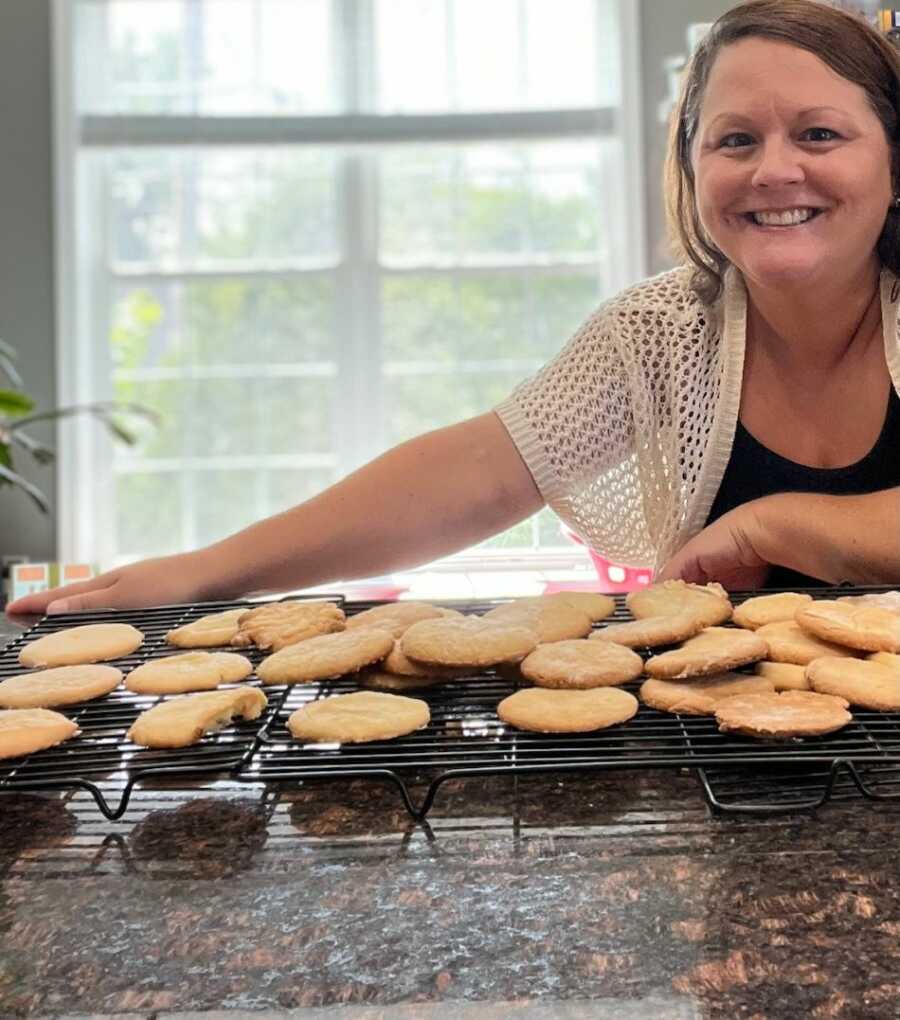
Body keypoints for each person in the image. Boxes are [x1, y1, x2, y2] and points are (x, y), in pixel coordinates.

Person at [8, 0, 900, 618]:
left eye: (820, 133)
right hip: (739, 765)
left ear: (892, 164)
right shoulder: (663, 334)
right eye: (734, 139)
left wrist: (775, 524)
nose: (774, 170)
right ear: (695, 169)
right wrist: (206, 572)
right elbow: (475, 472)